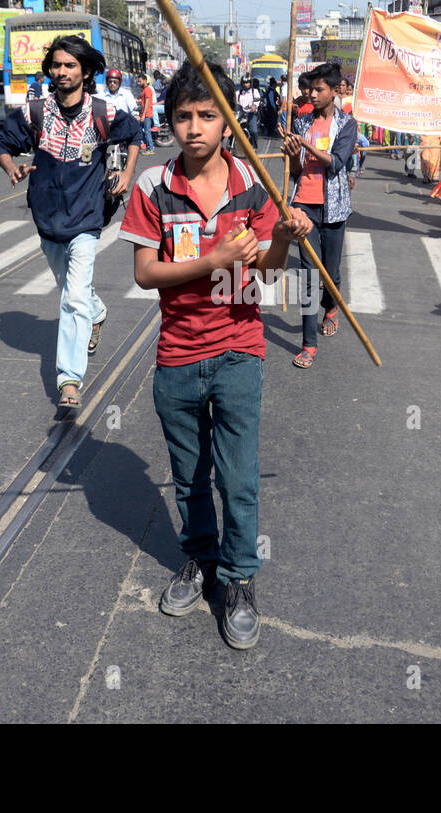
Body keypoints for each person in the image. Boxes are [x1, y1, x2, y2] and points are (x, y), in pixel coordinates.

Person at [120, 60, 312, 650]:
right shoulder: (153, 185)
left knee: (238, 476)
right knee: (189, 476)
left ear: (228, 123)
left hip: (238, 350)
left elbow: (270, 272)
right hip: (176, 355)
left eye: (208, 115)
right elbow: (147, 273)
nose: (195, 127)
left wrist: (283, 236)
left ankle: (239, 580)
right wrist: (211, 262)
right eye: (183, 116)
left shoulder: (254, 184)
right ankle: (199, 561)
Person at [0, 36, 141, 414]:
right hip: (46, 217)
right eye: (56, 65)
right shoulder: (35, 112)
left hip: (87, 217)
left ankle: (69, 380)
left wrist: (126, 173)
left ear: (85, 72)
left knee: (72, 298)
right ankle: (97, 311)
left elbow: (135, 135)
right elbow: (3, 145)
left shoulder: (104, 113)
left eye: (69, 65)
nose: (61, 71)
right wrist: (13, 168)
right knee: (72, 290)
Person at [282, 60, 358, 369]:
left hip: (335, 208)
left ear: (334, 91)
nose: (311, 95)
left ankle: (331, 309)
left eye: (318, 89)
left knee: (331, 274)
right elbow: (297, 172)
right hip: (303, 207)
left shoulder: (346, 124)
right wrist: (293, 154)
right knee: (309, 276)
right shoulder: (301, 123)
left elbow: (337, 163)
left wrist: (307, 146)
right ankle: (308, 344)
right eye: (310, 89)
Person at [236, 77, 262, 149]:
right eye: (244, 83)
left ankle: (254, 144)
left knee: (253, 131)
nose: (245, 84)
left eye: (247, 82)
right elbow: (234, 103)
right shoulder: (238, 93)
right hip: (240, 114)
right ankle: (231, 143)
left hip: (251, 114)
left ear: (250, 83)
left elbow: (257, 101)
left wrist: (254, 106)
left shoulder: (255, 92)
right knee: (232, 129)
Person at [137, 73, 156, 155]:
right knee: (141, 130)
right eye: (138, 81)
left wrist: (144, 115)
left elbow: (147, 103)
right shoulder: (144, 90)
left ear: (145, 81)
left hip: (147, 114)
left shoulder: (147, 90)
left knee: (147, 132)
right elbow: (143, 100)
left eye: (140, 81)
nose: (139, 83)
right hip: (144, 113)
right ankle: (147, 146)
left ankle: (150, 149)